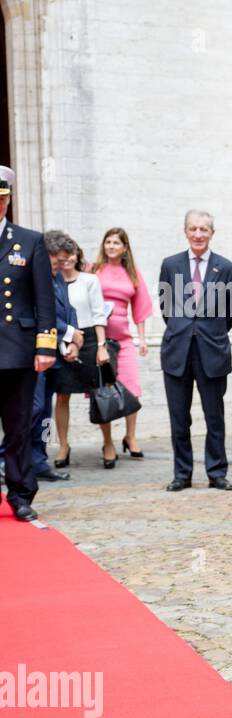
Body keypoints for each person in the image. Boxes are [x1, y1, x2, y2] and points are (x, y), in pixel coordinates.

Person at [157, 211, 232, 490]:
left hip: (212, 352)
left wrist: (210, 331)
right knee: (179, 419)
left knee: (214, 417)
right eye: (193, 229)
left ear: (212, 233)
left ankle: (216, 472)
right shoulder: (171, 264)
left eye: (204, 229)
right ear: (185, 232)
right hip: (177, 351)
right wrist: (184, 329)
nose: (198, 234)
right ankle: (182, 474)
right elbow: (166, 307)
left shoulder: (226, 267)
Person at [0, 171, 58, 522]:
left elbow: (44, 299)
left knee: (19, 426)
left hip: (18, 350)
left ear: (7, 200)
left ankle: (20, 494)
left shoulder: (29, 241)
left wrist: (46, 346)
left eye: (2, 197)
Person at [92, 227, 153, 460]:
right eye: (108, 242)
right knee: (103, 391)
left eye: (116, 243)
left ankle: (130, 436)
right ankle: (107, 443)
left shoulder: (132, 273)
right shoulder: (94, 270)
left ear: (125, 247)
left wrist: (142, 338)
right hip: (100, 342)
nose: (111, 246)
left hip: (124, 340)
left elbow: (140, 306)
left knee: (132, 390)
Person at [51, 241, 110, 468]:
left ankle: (108, 443)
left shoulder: (90, 280)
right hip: (61, 339)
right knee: (62, 394)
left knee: (99, 392)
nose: (66, 259)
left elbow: (98, 314)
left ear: (77, 255)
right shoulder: (52, 281)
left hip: (89, 339)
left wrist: (102, 345)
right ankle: (64, 445)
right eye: (60, 255)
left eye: (70, 254)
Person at [25, 230, 78, 482]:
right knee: (32, 408)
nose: (60, 266)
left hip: (55, 355)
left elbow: (69, 310)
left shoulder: (57, 278)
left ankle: (39, 461)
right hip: (36, 354)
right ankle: (5, 458)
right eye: (57, 261)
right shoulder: (35, 276)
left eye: (64, 261)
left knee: (45, 411)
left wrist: (75, 338)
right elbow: (39, 313)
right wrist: (69, 331)